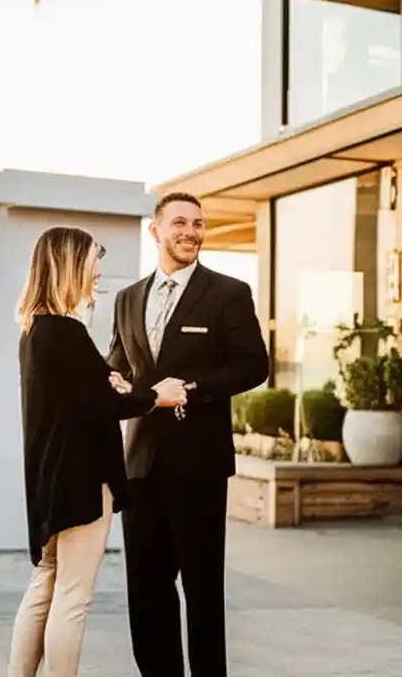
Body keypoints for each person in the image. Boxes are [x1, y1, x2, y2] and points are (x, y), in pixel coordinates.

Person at [7, 226, 189, 677]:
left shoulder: (35, 331)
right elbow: (102, 406)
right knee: (73, 596)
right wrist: (156, 396)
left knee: (45, 583)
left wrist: (112, 384)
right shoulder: (66, 332)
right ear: (69, 266)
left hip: (49, 479)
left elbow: (82, 396)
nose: (98, 272)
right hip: (82, 480)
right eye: (93, 262)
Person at [107, 192, 269, 676]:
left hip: (199, 464)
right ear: (155, 231)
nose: (191, 232)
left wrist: (194, 390)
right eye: (179, 222)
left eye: (198, 224)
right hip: (140, 464)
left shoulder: (228, 293)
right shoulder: (127, 298)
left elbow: (253, 365)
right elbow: (119, 367)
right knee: (146, 591)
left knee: (201, 590)